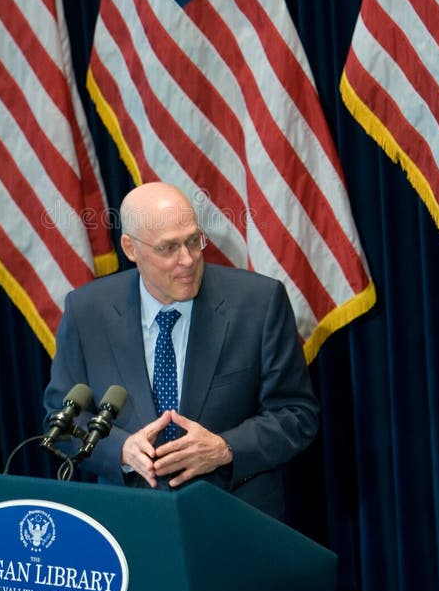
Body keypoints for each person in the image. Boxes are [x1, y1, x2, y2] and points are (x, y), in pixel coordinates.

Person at [43, 182, 319, 520]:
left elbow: (296, 414)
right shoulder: (87, 311)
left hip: (234, 519)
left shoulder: (258, 304)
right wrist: (120, 450)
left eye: (193, 240)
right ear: (131, 248)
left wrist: (225, 448)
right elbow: (61, 413)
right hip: (127, 521)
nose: (187, 259)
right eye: (168, 248)